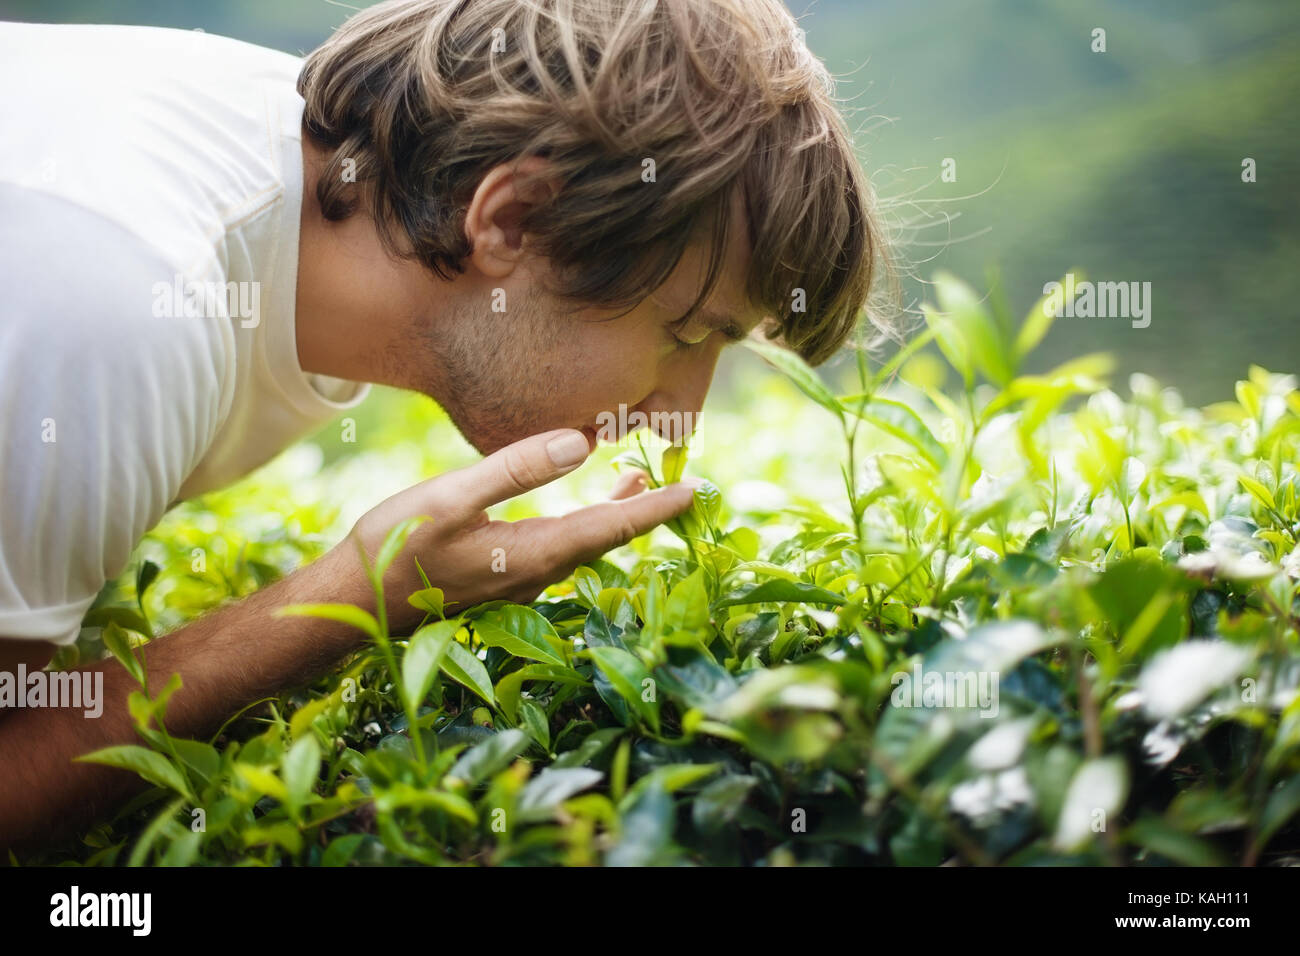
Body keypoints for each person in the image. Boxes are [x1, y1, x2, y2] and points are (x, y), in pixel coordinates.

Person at [0, 0, 887, 849]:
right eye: (687, 333)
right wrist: (359, 593)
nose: (678, 418)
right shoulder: (125, 294)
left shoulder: (275, 183)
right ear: (513, 219)